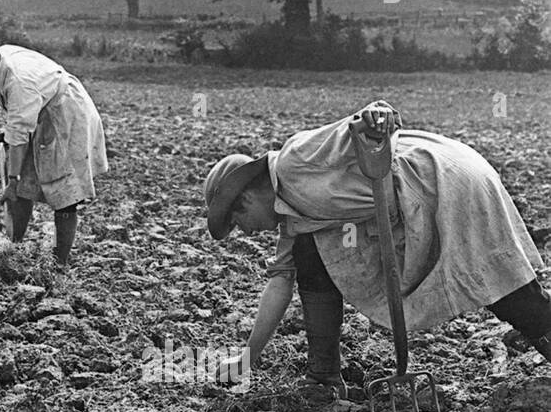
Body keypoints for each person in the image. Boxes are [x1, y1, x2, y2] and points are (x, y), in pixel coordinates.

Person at [203, 100, 551, 392]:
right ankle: (323, 377)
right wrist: (246, 358)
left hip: (443, 180)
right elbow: (279, 285)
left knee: (499, 283)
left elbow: (360, 125)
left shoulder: (296, 159)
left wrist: (374, 115)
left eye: (237, 224)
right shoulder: (293, 222)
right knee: (309, 255)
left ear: (246, 199)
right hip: (416, 198)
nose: (246, 233)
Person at [0, 34, 109, 266]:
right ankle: (13, 248)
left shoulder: (18, 80)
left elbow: (19, 130)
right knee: (22, 187)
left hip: (65, 115)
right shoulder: (2, 63)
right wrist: (9, 135)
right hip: (42, 113)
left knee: (65, 191)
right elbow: (19, 120)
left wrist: (12, 180)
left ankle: (60, 264)